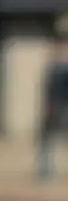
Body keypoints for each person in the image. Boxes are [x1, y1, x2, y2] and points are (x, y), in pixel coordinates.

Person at [38, 40, 68, 181]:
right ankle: (46, 171)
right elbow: (48, 91)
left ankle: (46, 171)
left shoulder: (62, 70)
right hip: (54, 108)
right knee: (48, 141)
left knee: (52, 140)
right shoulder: (54, 68)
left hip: (61, 108)